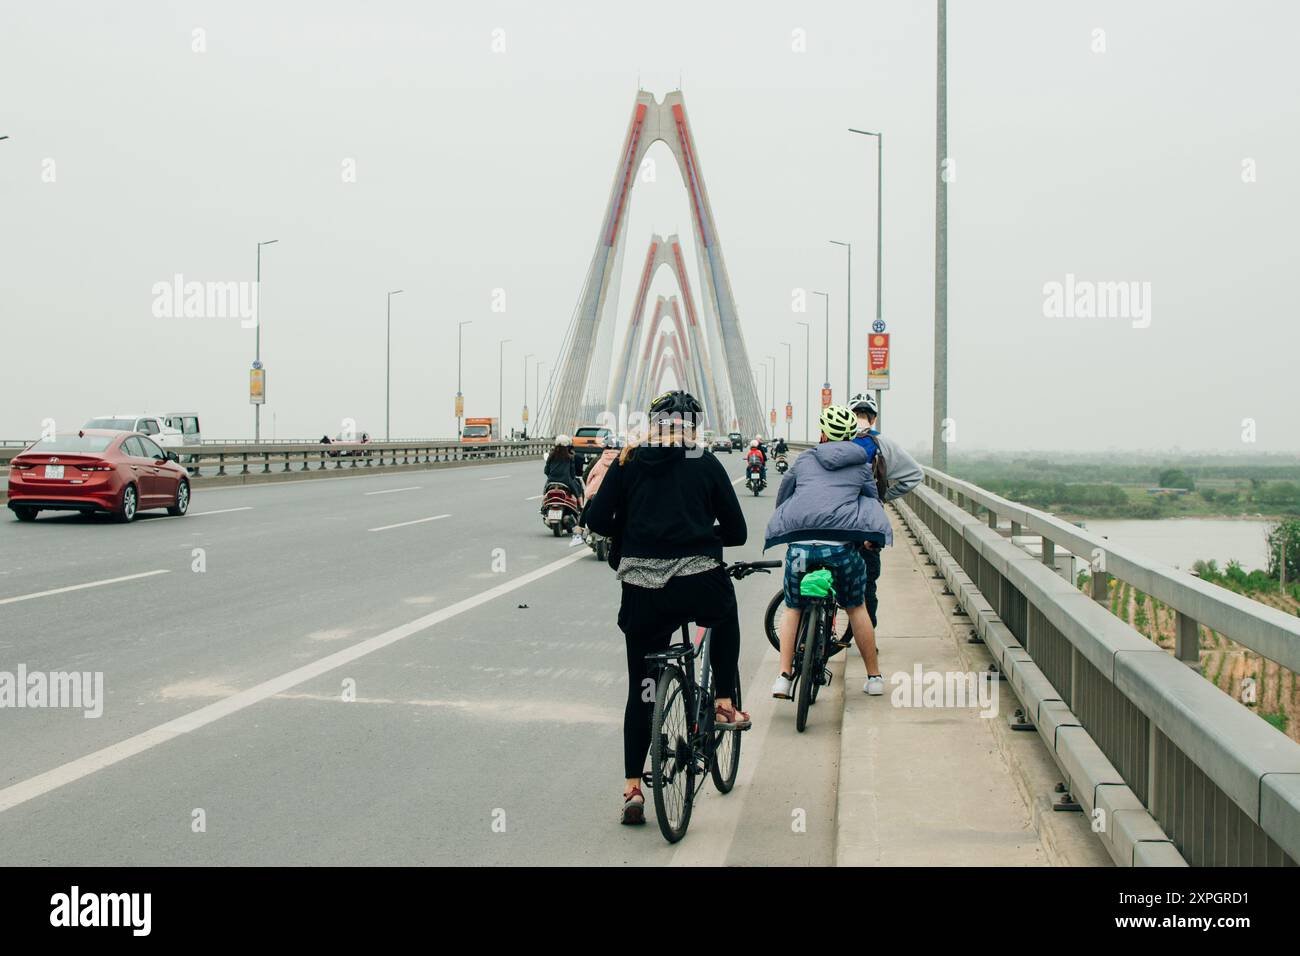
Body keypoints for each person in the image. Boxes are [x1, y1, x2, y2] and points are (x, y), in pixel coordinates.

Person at [585, 390, 748, 826]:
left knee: (643, 688)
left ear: (653, 423)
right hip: (698, 584)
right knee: (725, 616)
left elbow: (596, 522)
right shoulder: (704, 461)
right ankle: (724, 702)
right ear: (693, 426)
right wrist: (700, 532)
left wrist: (635, 532)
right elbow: (737, 532)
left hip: (643, 592)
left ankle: (633, 788)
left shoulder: (627, 462)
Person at [764, 404, 892, 698]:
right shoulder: (860, 465)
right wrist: (872, 538)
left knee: (793, 607)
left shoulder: (804, 460)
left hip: (801, 546)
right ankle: (874, 678)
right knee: (856, 606)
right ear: (850, 436)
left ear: (822, 433)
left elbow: (785, 495)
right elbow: (872, 503)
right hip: (840, 548)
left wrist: (789, 526)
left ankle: (783, 676)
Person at [846, 393, 923, 628]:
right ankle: (866, 635)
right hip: (870, 522)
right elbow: (915, 475)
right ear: (874, 418)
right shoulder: (885, 445)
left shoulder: (837, 440)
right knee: (868, 581)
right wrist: (883, 497)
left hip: (838, 518)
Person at [542, 435, 584, 504]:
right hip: (566, 481)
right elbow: (572, 474)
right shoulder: (570, 457)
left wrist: (551, 476)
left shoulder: (551, 455)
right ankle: (581, 505)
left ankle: (543, 505)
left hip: (551, 481)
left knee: (545, 492)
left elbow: (546, 471)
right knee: (578, 489)